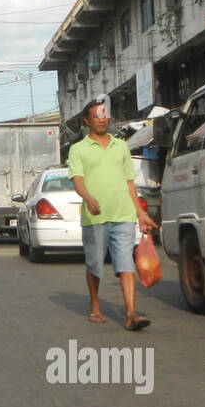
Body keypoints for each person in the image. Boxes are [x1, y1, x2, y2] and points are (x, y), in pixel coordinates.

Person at [67, 97, 158, 331]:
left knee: (126, 263)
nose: (102, 119)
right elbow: (77, 180)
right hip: (95, 217)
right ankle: (95, 305)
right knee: (95, 265)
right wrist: (88, 198)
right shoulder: (78, 149)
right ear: (87, 121)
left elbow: (129, 183)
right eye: (97, 116)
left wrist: (140, 213)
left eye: (105, 115)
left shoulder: (121, 147)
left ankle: (130, 315)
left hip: (124, 215)